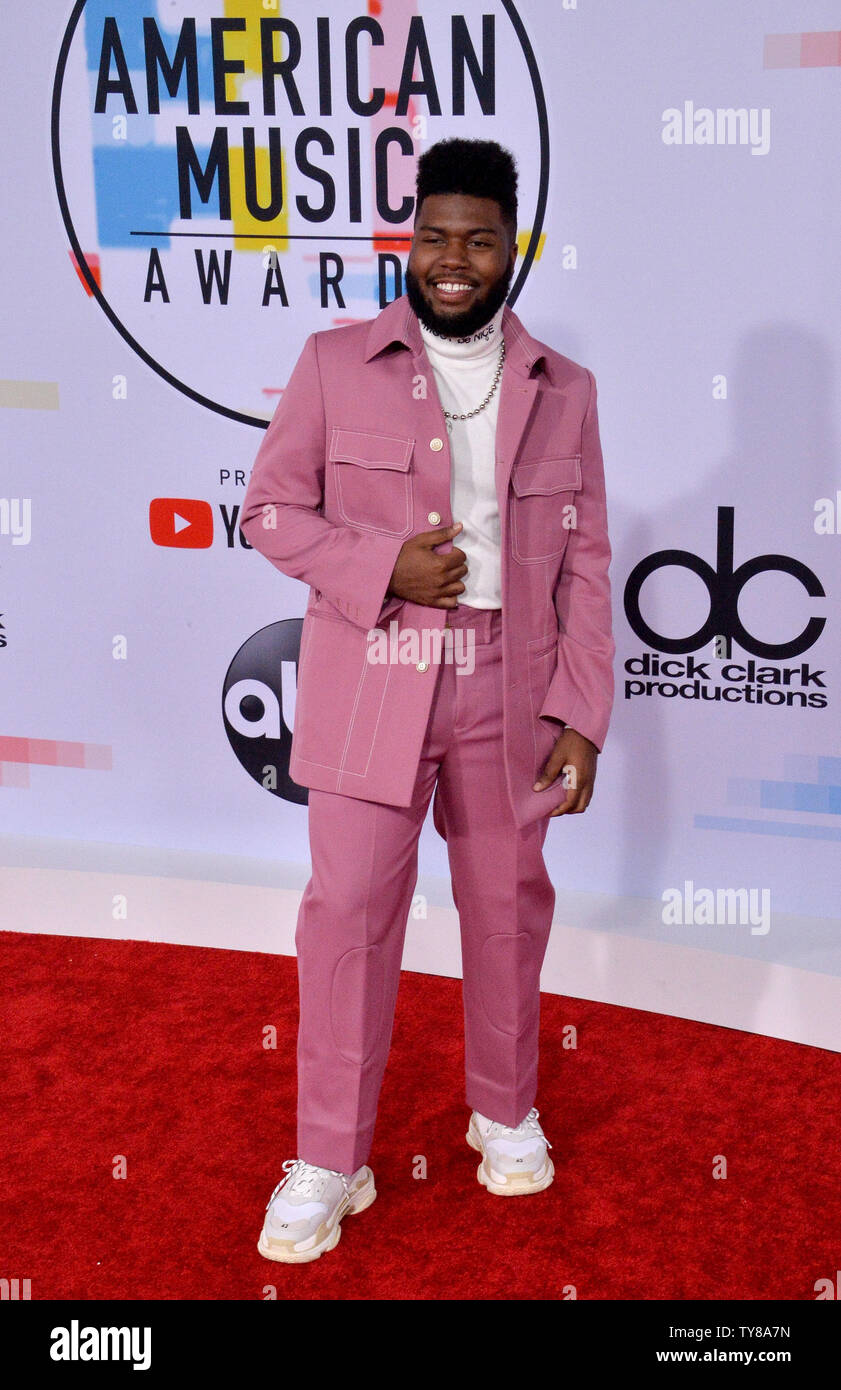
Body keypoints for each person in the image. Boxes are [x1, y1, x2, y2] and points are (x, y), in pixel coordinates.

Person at [239, 138, 614, 1264]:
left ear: (513, 249)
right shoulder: (330, 361)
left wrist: (583, 712)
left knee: (507, 907)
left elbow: (587, 562)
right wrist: (379, 566)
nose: (453, 259)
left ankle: (503, 1111)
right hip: (375, 673)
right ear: (408, 240)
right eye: (434, 236)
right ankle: (329, 1156)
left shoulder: (565, 389)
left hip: (510, 679)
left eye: (479, 238)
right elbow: (265, 512)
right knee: (347, 914)